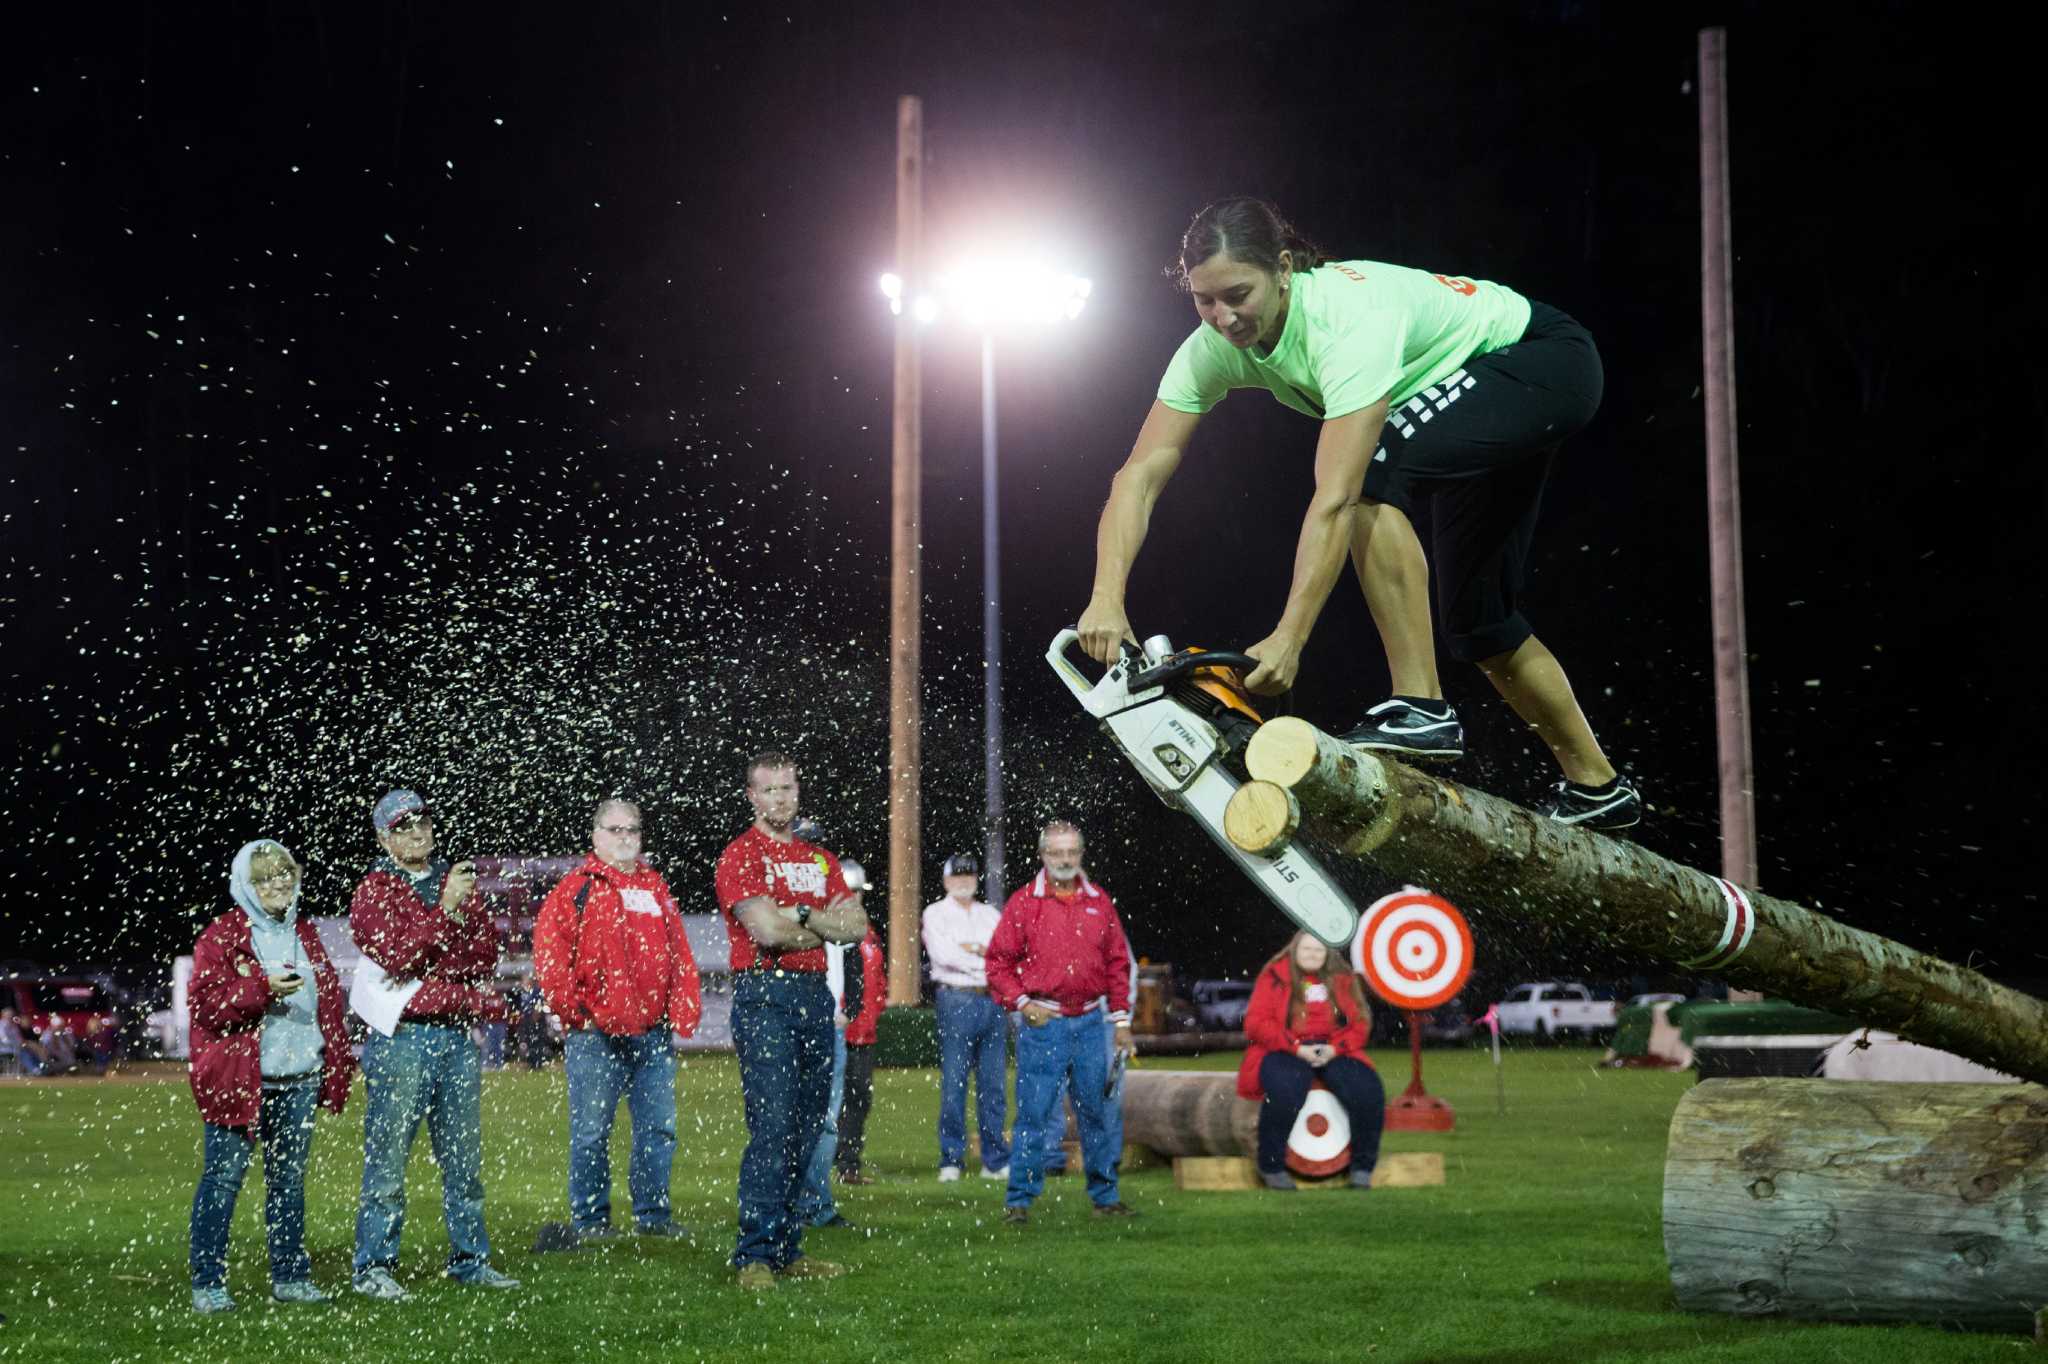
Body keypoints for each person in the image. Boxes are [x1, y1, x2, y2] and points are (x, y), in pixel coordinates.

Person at [1077, 196, 1640, 830]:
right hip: (1488, 385)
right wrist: (1106, 596)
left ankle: (1423, 708)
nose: (1224, 318)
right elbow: (1140, 475)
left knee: (1373, 473)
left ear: (1283, 268)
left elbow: (1338, 496)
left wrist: (1291, 638)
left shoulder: (1344, 320)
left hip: (1540, 362)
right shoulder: (1209, 348)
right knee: (1479, 623)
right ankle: (1599, 787)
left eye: (1238, 294)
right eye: (1204, 300)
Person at [348, 790, 520, 1300]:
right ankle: (372, 1267)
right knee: (388, 1164)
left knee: (464, 1162)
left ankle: (470, 1260)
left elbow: (484, 955)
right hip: (401, 1038)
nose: (418, 831)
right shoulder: (374, 892)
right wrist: (446, 914)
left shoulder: (455, 882)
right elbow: (399, 958)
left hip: (452, 1036)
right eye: (403, 826)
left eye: (422, 820)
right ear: (383, 837)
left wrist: (438, 954)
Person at [712, 752, 870, 1290]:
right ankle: (753, 1254)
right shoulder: (740, 855)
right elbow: (767, 934)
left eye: (788, 788)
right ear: (751, 797)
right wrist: (819, 927)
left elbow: (856, 925)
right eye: (769, 790)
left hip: (813, 997)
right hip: (766, 995)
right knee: (773, 1127)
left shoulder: (820, 859)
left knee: (806, 1127)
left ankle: (786, 1247)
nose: (780, 798)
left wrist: (801, 916)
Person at [185, 840, 357, 1313]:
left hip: (299, 1078)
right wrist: (261, 987)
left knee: (288, 1182)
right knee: (222, 1182)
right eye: (264, 878)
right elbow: (206, 1009)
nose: (279, 883)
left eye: (284, 872)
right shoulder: (220, 936)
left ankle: (291, 1276)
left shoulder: (306, 931)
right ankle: (207, 1282)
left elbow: (328, 1006)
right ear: (245, 885)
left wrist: (335, 1061)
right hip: (242, 1081)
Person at [533, 798, 703, 1241]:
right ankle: (591, 1222)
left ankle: (654, 1217)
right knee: (591, 1133)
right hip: (596, 1036)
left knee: (659, 1130)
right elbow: (551, 956)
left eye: (632, 830)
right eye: (615, 830)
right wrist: (577, 1015)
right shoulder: (577, 888)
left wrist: (681, 1007)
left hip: (652, 1034)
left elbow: (679, 953)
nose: (624, 838)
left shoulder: (655, 888)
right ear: (595, 836)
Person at [984, 821, 1137, 1223]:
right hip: (1044, 1025)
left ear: (1081, 854)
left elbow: (1117, 965)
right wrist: (1021, 1003)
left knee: (1096, 1114)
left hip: (1091, 1022)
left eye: (1071, 852)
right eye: (1056, 853)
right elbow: (998, 963)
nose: (1065, 860)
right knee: (1034, 1114)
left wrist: (1121, 1021)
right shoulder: (1024, 903)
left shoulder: (1099, 902)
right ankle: (1019, 1201)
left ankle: (1105, 1198)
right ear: (1043, 856)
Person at [1238, 930, 1384, 1191]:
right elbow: (1256, 1022)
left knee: (1367, 1091)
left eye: (1319, 950)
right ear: (1295, 950)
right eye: (1307, 949)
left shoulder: (1342, 978)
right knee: (1285, 1091)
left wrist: (1335, 1049)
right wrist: (1295, 1048)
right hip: (1284, 1047)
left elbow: (1360, 1022)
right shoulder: (1274, 975)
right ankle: (1271, 1166)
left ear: (1327, 953)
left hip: (1333, 1048)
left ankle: (1362, 1168)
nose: (1313, 954)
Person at [920, 853, 1011, 1182]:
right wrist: (982, 956)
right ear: (946, 881)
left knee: (993, 1085)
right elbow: (944, 956)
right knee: (954, 1084)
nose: (963, 880)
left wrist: (977, 952)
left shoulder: (989, 914)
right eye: (957, 876)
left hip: (991, 1001)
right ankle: (951, 1160)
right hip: (956, 999)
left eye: (968, 875)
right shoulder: (935, 913)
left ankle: (995, 1160)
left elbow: (1004, 954)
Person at [791, 834, 865, 1231]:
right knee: (786, 1117)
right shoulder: (794, 906)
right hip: (794, 1020)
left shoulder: (834, 908)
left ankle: (814, 1204)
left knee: (824, 1120)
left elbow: (852, 964)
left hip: (828, 1025)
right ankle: (788, 1204)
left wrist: (846, 1010)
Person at [834, 921, 888, 1185]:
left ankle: (847, 1162)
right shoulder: (832, 928)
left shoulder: (868, 934)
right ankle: (829, 1162)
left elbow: (877, 982)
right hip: (838, 1030)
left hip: (863, 1033)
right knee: (833, 1100)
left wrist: (873, 1013)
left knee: (858, 1099)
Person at [0, 1006, 47, 1075]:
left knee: (31, 1050)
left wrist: (25, 1043)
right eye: (8, 1016)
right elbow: (5, 1040)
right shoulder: (1, 1026)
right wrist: (20, 1043)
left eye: (11, 1016)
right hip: (4, 1049)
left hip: (15, 1047)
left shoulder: (14, 1026)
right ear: (3, 1016)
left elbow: (19, 1038)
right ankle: (35, 1069)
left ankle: (42, 1068)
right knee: (23, 1052)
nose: (10, 1017)